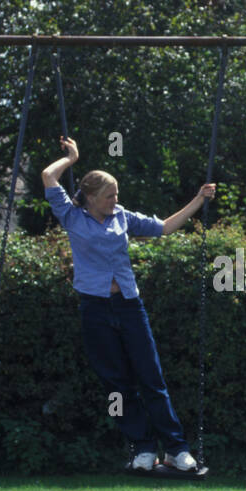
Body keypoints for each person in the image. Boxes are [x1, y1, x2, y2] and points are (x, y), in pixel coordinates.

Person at [41, 137, 213, 473]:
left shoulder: (122, 217)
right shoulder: (71, 216)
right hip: (94, 309)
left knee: (151, 377)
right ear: (90, 198)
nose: (115, 200)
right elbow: (49, 176)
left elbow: (164, 227)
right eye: (109, 195)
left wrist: (198, 200)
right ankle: (142, 448)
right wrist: (73, 157)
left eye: (116, 195)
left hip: (129, 306)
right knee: (116, 384)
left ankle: (177, 450)